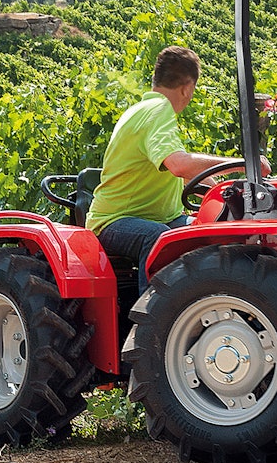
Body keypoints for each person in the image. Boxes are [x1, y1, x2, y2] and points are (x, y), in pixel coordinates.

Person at [86, 46, 266, 292]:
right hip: (114, 222)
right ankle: (154, 312)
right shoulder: (157, 111)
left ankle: (204, 302)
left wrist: (223, 195)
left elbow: (187, 174)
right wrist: (243, 163)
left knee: (205, 231)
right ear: (187, 88)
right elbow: (179, 165)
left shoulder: (144, 111)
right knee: (159, 237)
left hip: (161, 217)